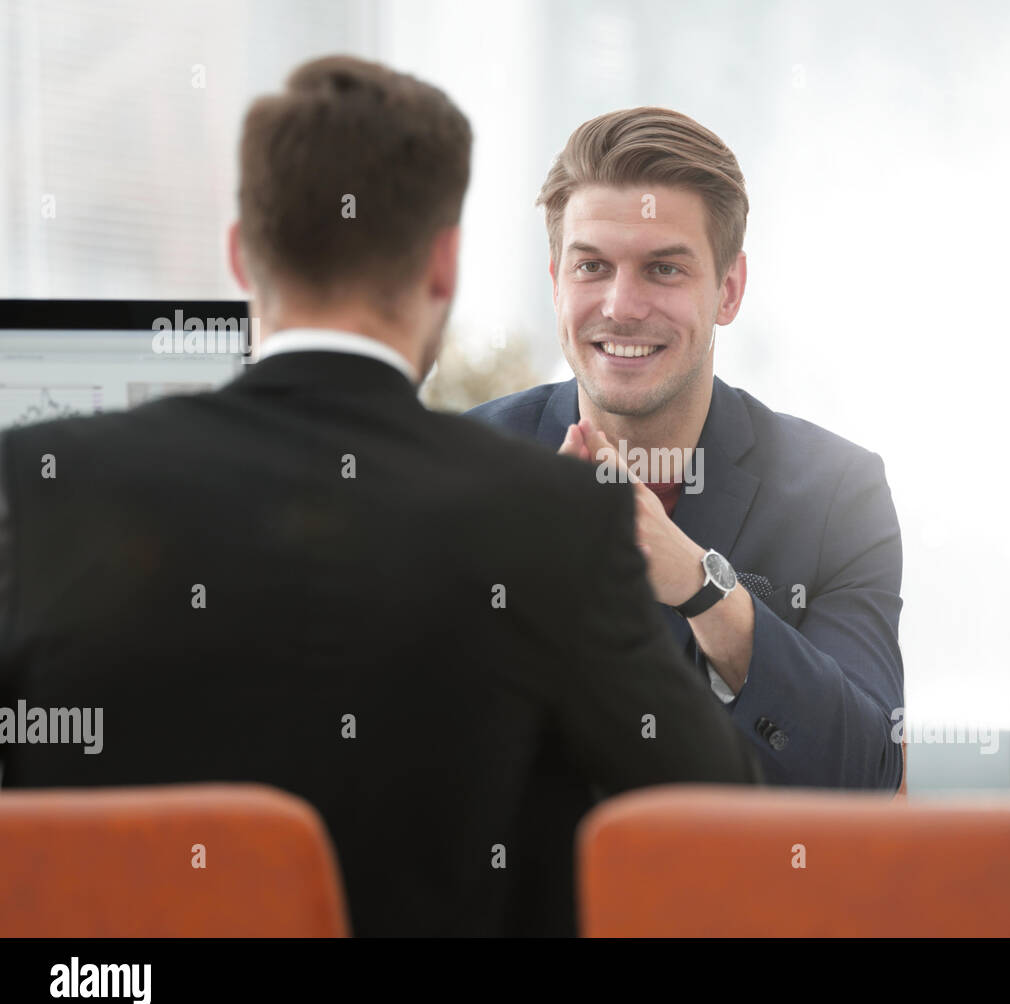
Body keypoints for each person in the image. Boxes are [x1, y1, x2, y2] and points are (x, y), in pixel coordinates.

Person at [0, 57, 760, 937]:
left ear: (243, 251)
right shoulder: (553, 516)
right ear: (443, 266)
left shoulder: (33, 487)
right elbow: (722, 832)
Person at [466, 108, 904, 790]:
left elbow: (866, 768)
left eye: (663, 269)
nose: (622, 304)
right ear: (556, 281)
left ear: (728, 290)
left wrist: (703, 587)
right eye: (592, 266)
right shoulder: (467, 464)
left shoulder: (837, 492)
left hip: (740, 889)